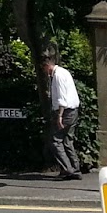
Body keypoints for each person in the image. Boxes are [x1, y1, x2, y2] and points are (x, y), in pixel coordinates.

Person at [41, 51, 83, 179]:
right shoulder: (64, 72)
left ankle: (67, 169)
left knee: (55, 141)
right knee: (67, 140)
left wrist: (59, 116)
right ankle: (75, 169)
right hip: (73, 110)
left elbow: (62, 98)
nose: (44, 71)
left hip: (65, 112)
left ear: (47, 66)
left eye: (43, 68)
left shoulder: (58, 76)